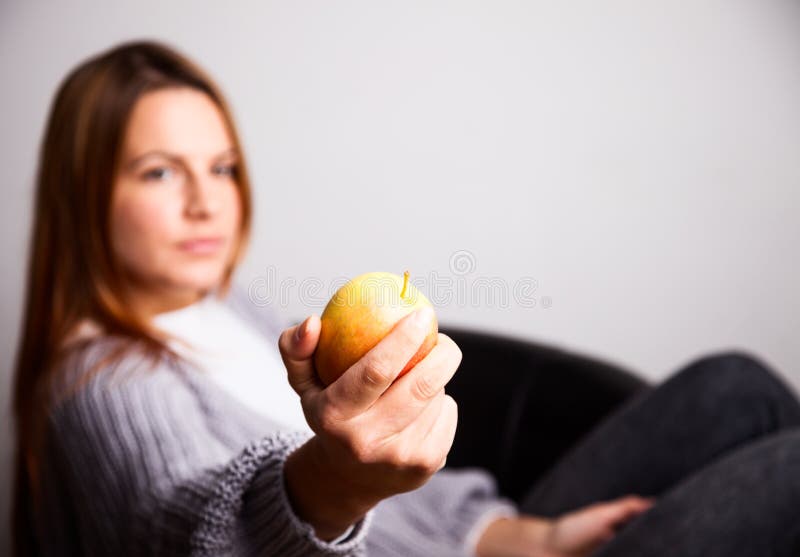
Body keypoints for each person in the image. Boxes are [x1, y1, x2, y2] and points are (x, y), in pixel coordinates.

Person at [10, 39, 800, 557]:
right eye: (158, 170)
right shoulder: (99, 381)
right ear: (82, 195)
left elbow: (414, 520)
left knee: (734, 385)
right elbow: (184, 529)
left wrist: (535, 534)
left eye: (221, 167)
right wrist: (332, 484)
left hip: (482, 543)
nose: (206, 202)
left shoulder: (226, 310)